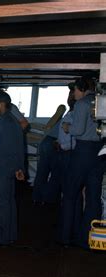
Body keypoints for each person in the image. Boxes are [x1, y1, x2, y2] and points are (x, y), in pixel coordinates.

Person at [57, 76, 104, 249]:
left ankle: (65, 237)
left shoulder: (82, 104)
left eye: (75, 89)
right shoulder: (100, 101)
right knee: (93, 198)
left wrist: (67, 127)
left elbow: (77, 130)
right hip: (99, 153)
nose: (73, 93)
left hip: (83, 152)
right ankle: (90, 240)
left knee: (70, 194)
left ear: (82, 89)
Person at [0, 90, 25, 248]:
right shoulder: (9, 120)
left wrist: (18, 168)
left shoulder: (6, 122)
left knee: (2, 203)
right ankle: (10, 235)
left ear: (2, 104)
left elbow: (14, 148)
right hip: (9, 166)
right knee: (9, 202)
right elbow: (15, 146)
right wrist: (18, 168)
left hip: (4, 167)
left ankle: (0, 238)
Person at [32, 104, 66, 205]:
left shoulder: (62, 118)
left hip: (46, 141)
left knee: (42, 171)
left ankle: (36, 198)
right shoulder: (71, 117)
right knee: (56, 173)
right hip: (54, 143)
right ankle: (48, 199)